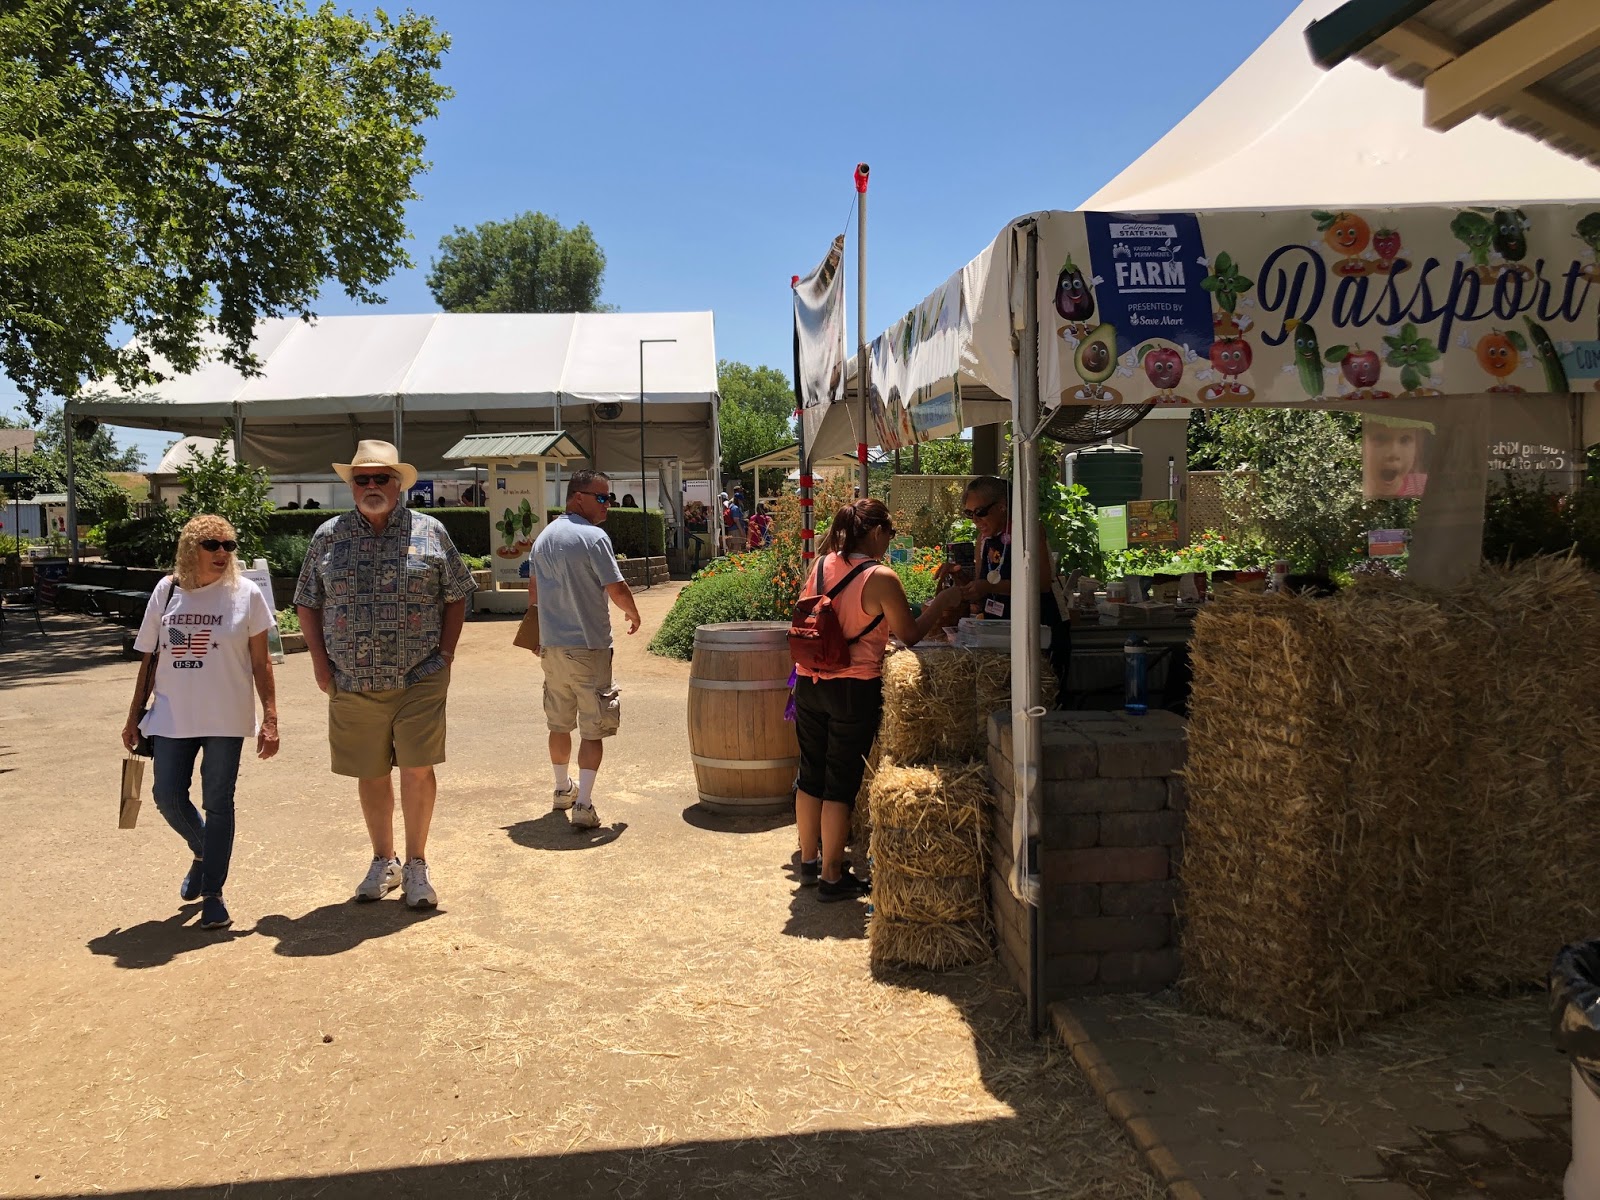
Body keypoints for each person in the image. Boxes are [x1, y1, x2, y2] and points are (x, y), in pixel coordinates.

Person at [294, 440, 475, 910]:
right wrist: (319, 663)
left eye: (381, 478)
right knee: (370, 773)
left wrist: (447, 653)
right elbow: (307, 602)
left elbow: (456, 593)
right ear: (351, 486)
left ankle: (417, 864)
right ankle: (384, 860)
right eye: (362, 479)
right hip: (351, 678)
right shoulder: (327, 537)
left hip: (420, 675)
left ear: (399, 484)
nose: (372, 487)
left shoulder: (431, 531)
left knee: (417, 770)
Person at [794, 500, 964, 900]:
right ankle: (833, 876)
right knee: (840, 781)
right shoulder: (881, 576)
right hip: (853, 688)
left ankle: (808, 861)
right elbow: (910, 634)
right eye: (888, 534)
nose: (889, 542)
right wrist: (942, 603)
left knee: (810, 772)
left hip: (808, 681)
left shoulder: (819, 565)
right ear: (875, 532)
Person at [121, 515, 279, 931]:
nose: (223, 553)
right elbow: (150, 658)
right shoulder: (167, 589)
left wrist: (271, 718)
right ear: (192, 547)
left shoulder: (246, 594)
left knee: (218, 803)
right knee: (167, 796)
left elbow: (262, 663)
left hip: (226, 716)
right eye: (212, 544)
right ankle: (203, 848)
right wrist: (134, 715)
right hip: (172, 714)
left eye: (229, 544)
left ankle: (214, 894)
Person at [521, 469, 642, 830]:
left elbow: (534, 592)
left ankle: (562, 789)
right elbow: (616, 586)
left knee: (558, 723)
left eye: (610, 498)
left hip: (552, 646)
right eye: (602, 498)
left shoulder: (543, 538)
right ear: (578, 497)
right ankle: (584, 803)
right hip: (588, 645)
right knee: (593, 728)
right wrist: (633, 613)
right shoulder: (593, 537)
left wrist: (537, 632)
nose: (609, 504)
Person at [942, 476, 1071, 704]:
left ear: (1002, 506)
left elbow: (1039, 584)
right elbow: (982, 585)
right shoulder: (984, 538)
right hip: (1000, 630)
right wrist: (960, 578)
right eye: (968, 513)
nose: (975, 520)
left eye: (980, 512)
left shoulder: (1028, 530)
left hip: (1039, 628)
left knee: (1040, 702)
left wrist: (989, 586)